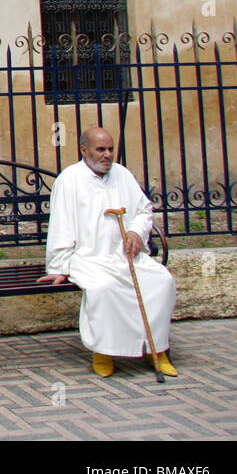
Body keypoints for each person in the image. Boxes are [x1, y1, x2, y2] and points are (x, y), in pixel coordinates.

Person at [36, 127, 178, 377]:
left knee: (161, 282)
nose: (107, 155)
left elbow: (144, 210)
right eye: (101, 149)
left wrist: (135, 232)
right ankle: (103, 351)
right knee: (103, 289)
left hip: (127, 256)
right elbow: (61, 226)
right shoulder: (69, 180)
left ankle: (156, 349)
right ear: (84, 150)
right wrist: (58, 268)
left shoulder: (121, 174)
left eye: (110, 149)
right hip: (90, 258)